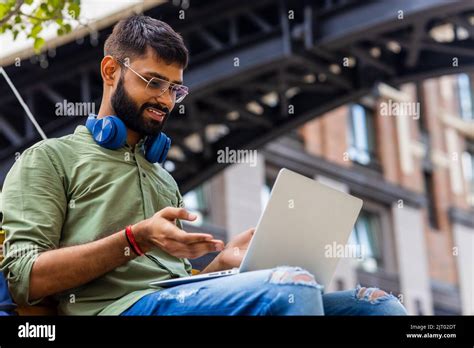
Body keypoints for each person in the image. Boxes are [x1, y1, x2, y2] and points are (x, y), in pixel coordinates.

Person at [1, 15, 407, 316]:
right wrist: (136, 238)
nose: (166, 100)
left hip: (168, 302)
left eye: (175, 88)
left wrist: (224, 263)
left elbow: (178, 287)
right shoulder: (48, 159)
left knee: (375, 306)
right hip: (113, 311)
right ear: (111, 71)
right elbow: (24, 277)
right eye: (153, 82)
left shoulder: (162, 178)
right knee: (292, 289)